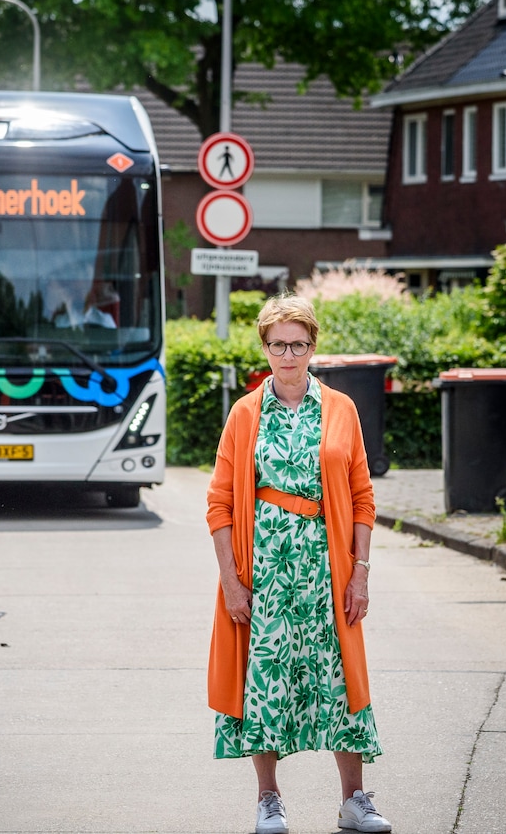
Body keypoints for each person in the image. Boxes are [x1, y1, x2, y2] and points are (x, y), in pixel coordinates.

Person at [206, 293, 392, 834]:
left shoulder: (341, 409)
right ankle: (269, 799)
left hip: (327, 568)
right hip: (264, 567)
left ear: (313, 346)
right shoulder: (246, 413)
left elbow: (362, 496)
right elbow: (219, 503)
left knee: (338, 677)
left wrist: (360, 571)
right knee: (264, 678)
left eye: (299, 344)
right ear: (265, 348)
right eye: (278, 345)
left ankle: (354, 800)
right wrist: (231, 582)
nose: (288, 355)